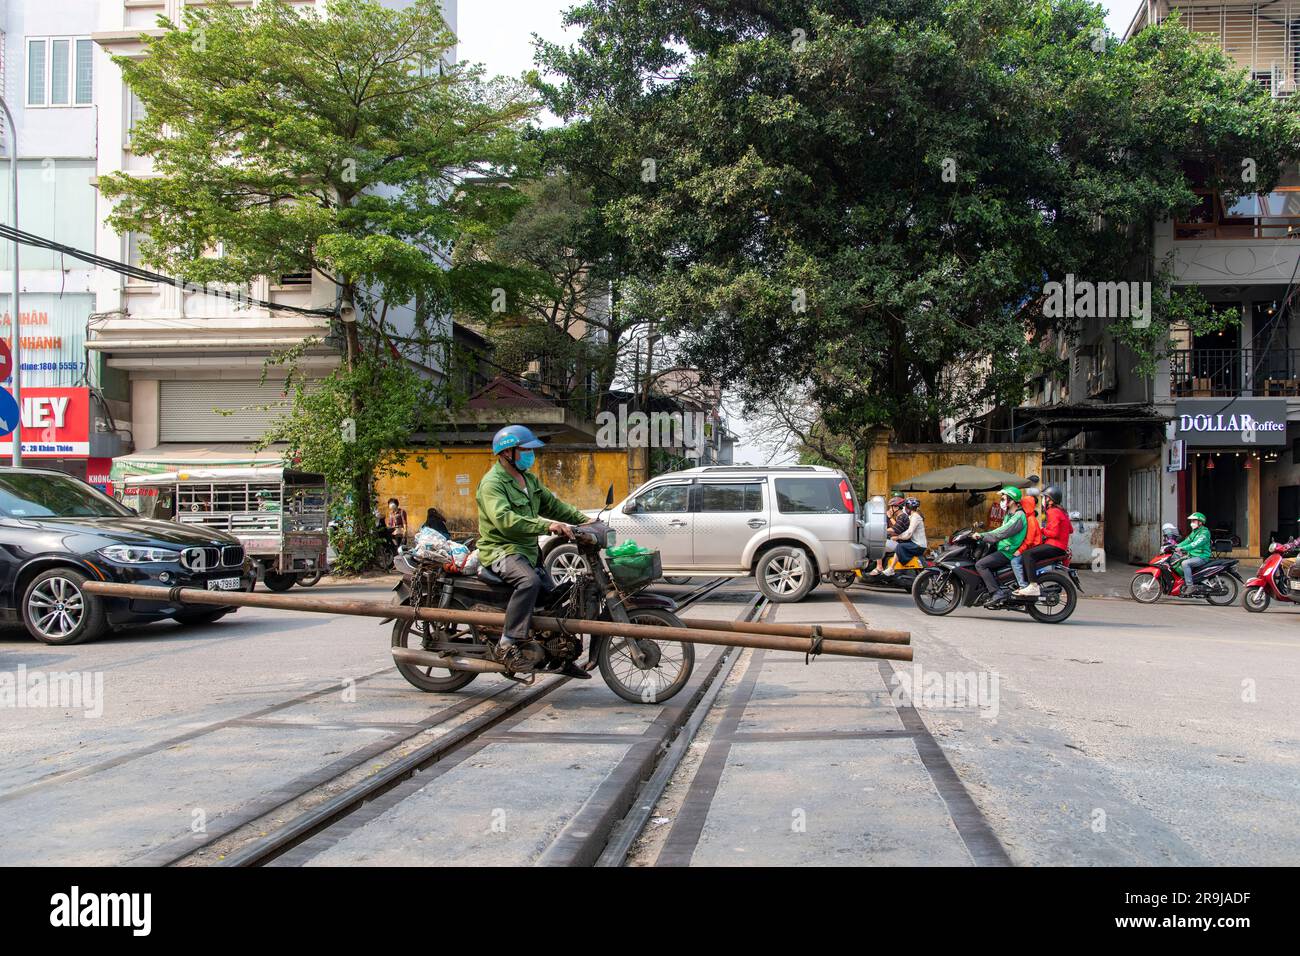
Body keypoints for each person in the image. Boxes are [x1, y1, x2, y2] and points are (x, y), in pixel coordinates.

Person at [476, 424, 590, 677]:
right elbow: (505, 519)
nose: (531, 454)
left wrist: (585, 521)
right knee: (528, 583)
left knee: (556, 599)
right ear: (508, 453)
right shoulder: (492, 484)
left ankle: (559, 656)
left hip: (527, 553)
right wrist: (546, 525)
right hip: (499, 551)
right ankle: (507, 644)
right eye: (525, 449)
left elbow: (554, 506)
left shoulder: (528, 479)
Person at [1013, 486, 1073, 598]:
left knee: (1027, 554)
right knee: (1031, 554)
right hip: (1060, 546)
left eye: (1045, 497)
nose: (1043, 500)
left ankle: (1033, 586)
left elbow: (1054, 533)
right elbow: (1070, 529)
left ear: (1050, 500)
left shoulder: (1052, 511)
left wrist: (1041, 529)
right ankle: (1027, 584)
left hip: (1054, 546)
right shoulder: (1062, 512)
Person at [972, 486, 1027, 604]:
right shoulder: (1008, 514)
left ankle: (996, 593)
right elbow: (1000, 530)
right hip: (1003, 547)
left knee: (980, 565)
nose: (1001, 501)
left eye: (1003, 499)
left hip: (1008, 551)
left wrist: (982, 535)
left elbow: (1002, 532)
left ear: (1011, 500)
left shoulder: (1018, 517)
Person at [1009, 492, 1042, 590]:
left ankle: (1022, 586)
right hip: (1030, 547)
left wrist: (1019, 550)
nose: (1020, 507)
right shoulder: (1028, 517)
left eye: (1022, 505)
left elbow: (1029, 540)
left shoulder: (1030, 520)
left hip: (1032, 547)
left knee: (1014, 561)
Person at [868, 497, 908, 575]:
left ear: (896, 507)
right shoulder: (897, 516)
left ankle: (879, 567)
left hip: (900, 543)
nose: (889, 508)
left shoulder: (902, 516)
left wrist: (881, 530)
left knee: (878, 545)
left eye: (891, 507)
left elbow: (896, 529)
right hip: (896, 540)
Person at [887, 497, 927, 572]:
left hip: (918, 545)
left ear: (908, 507)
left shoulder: (915, 517)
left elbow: (909, 533)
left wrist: (897, 537)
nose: (903, 508)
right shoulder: (912, 516)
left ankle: (891, 568)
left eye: (905, 506)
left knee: (899, 546)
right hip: (916, 543)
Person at [1175, 512, 1212, 594]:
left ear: (1200, 522)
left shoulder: (1204, 533)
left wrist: (1182, 548)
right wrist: (1174, 546)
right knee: (1176, 563)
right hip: (1192, 555)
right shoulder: (1195, 532)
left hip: (1202, 557)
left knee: (1185, 563)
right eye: (1191, 521)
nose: (1192, 523)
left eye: (1194, 521)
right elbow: (1186, 541)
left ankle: (1190, 586)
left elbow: (1195, 544)